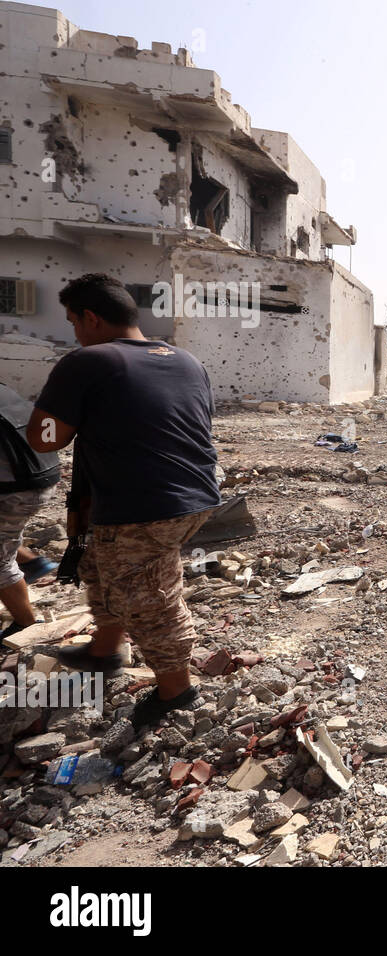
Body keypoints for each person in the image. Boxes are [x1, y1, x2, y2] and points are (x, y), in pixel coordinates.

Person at [25, 273, 221, 729]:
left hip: (145, 506)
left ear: (91, 319)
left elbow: (45, 438)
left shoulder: (87, 362)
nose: (75, 331)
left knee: (148, 598)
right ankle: (104, 649)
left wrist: (67, 410)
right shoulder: (186, 359)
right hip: (194, 494)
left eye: (75, 321)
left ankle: (177, 692)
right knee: (98, 564)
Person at [0, 382, 62, 639]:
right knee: (6, 537)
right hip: (39, 476)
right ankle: (34, 563)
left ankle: (25, 626)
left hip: (17, 488)